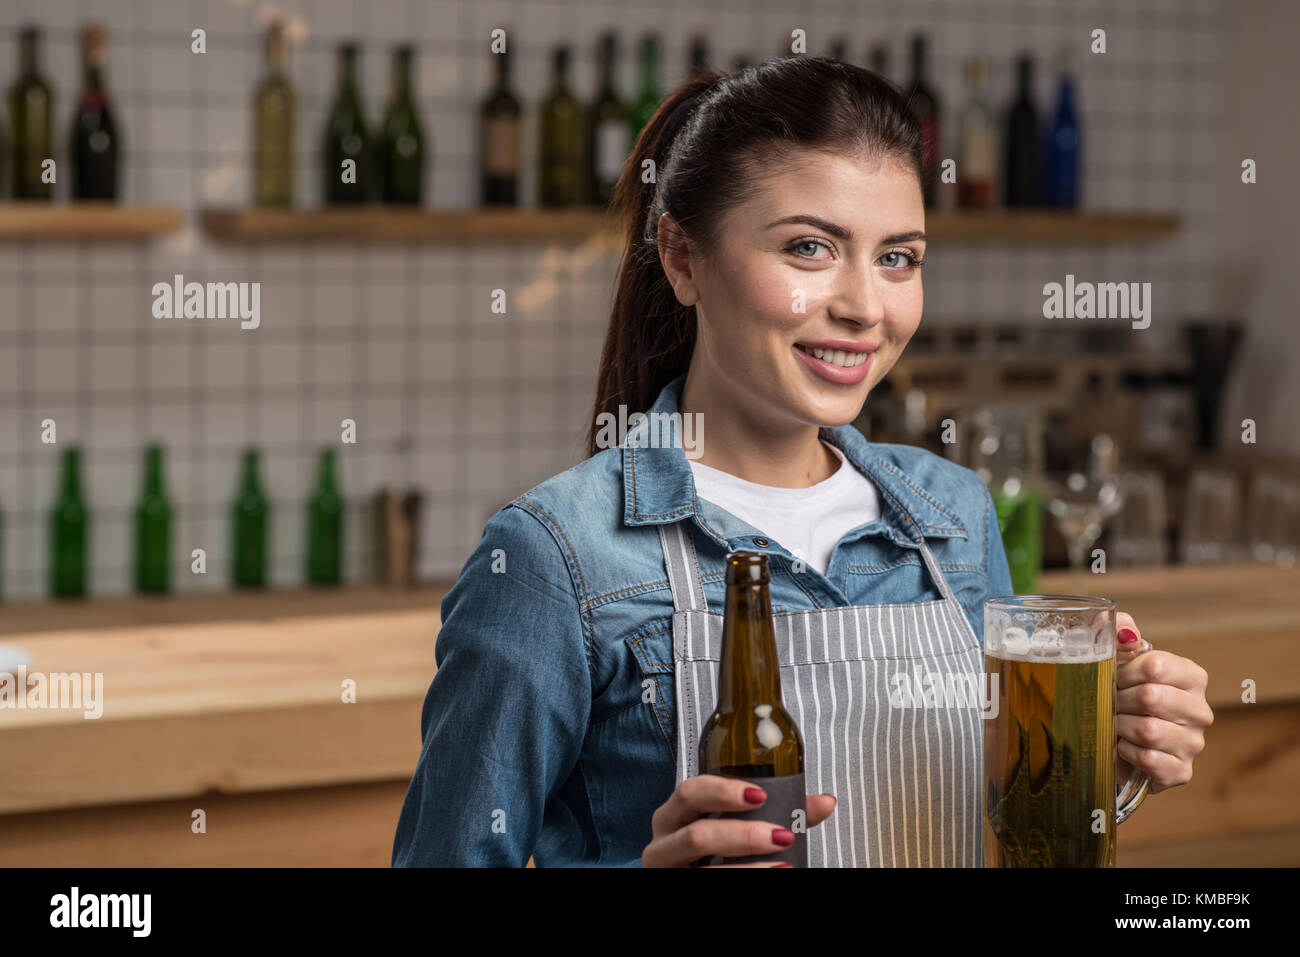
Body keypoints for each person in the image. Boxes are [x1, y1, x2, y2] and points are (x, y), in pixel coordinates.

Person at [392, 56, 1211, 867]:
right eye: (811, 249)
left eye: (898, 258)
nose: (863, 307)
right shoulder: (555, 556)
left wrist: (1109, 761)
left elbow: (1000, 822)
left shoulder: (952, 517)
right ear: (682, 258)